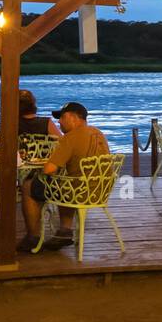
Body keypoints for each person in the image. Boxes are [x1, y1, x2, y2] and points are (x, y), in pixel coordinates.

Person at [17, 102, 110, 252]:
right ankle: (64, 231)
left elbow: (48, 169)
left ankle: (33, 237)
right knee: (65, 182)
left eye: (62, 117)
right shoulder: (99, 133)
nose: (59, 121)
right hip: (99, 191)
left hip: (78, 192)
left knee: (29, 184)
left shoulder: (70, 138)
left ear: (73, 118)